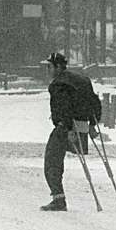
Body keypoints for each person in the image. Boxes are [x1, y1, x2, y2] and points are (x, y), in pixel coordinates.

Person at [41, 52, 102, 211]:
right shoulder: (82, 79)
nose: (47, 70)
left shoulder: (57, 85)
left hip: (66, 128)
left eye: (50, 67)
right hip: (82, 125)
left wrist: (67, 129)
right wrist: (92, 124)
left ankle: (58, 198)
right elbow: (94, 101)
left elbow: (63, 108)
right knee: (54, 160)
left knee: (51, 161)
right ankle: (59, 199)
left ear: (58, 67)